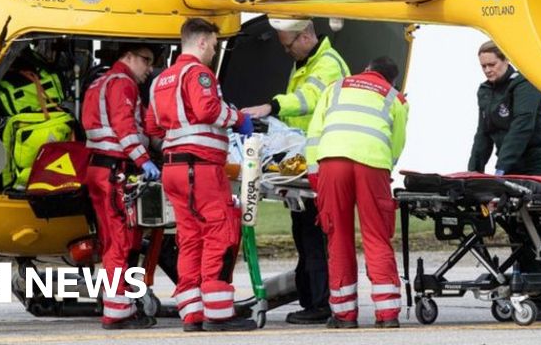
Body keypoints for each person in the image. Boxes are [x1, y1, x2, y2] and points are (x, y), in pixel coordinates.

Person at [145, 18, 257, 332]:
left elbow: (152, 127)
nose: (214, 52)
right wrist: (238, 118)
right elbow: (209, 110)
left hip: (174, 170)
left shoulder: (161, 80)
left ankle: (192, 313)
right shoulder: (199, 73)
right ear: (204, 41)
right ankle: (219, 313)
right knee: (220, 232)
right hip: (201, 169)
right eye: (215, 45)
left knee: (190, 238)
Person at [241, 18, 349, 325]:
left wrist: (271, 107)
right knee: (304, 235)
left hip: (317, 164)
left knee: (313, 237)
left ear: (304, 37)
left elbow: (308, 101)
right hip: (304, 165)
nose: (285, 51)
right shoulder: (305, 63)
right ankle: (310, 299)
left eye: (288, 45)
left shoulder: (327, 64)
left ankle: (319, 304)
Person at [305, 56, 408, 329]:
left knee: (338, 236)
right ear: (391, 80)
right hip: (373, 164)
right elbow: (396, 144)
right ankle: (387, 314)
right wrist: (384, 170)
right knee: (376, 236)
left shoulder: (335, 87)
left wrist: (316, 177)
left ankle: (344, 315)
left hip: (332, 161)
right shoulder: (396, 98)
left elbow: (314, 134)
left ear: (366, 70)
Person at [467, 40, 541, 321]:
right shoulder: (485, 91)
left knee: (530, 234)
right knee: (517, 234)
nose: (487, 70)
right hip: (510, 168)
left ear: (506, 61)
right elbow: (482, 134)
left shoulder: (525, 85)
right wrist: (474, 174)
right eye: (483, 66)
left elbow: (522, 126)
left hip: (538, 167)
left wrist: (500, 168)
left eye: (492, 65)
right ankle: (537, 294)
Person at [81, 43, 160, 330]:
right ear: (127, 57)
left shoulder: (98, 83)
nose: (149, 69)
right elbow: (125, 128)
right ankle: (117, 312)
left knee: (110, 239)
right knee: (120, 240)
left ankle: (118, 303)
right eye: (145, 60)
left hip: (98, 168)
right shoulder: (122, 83)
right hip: (115, 169)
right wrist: (144, 161)